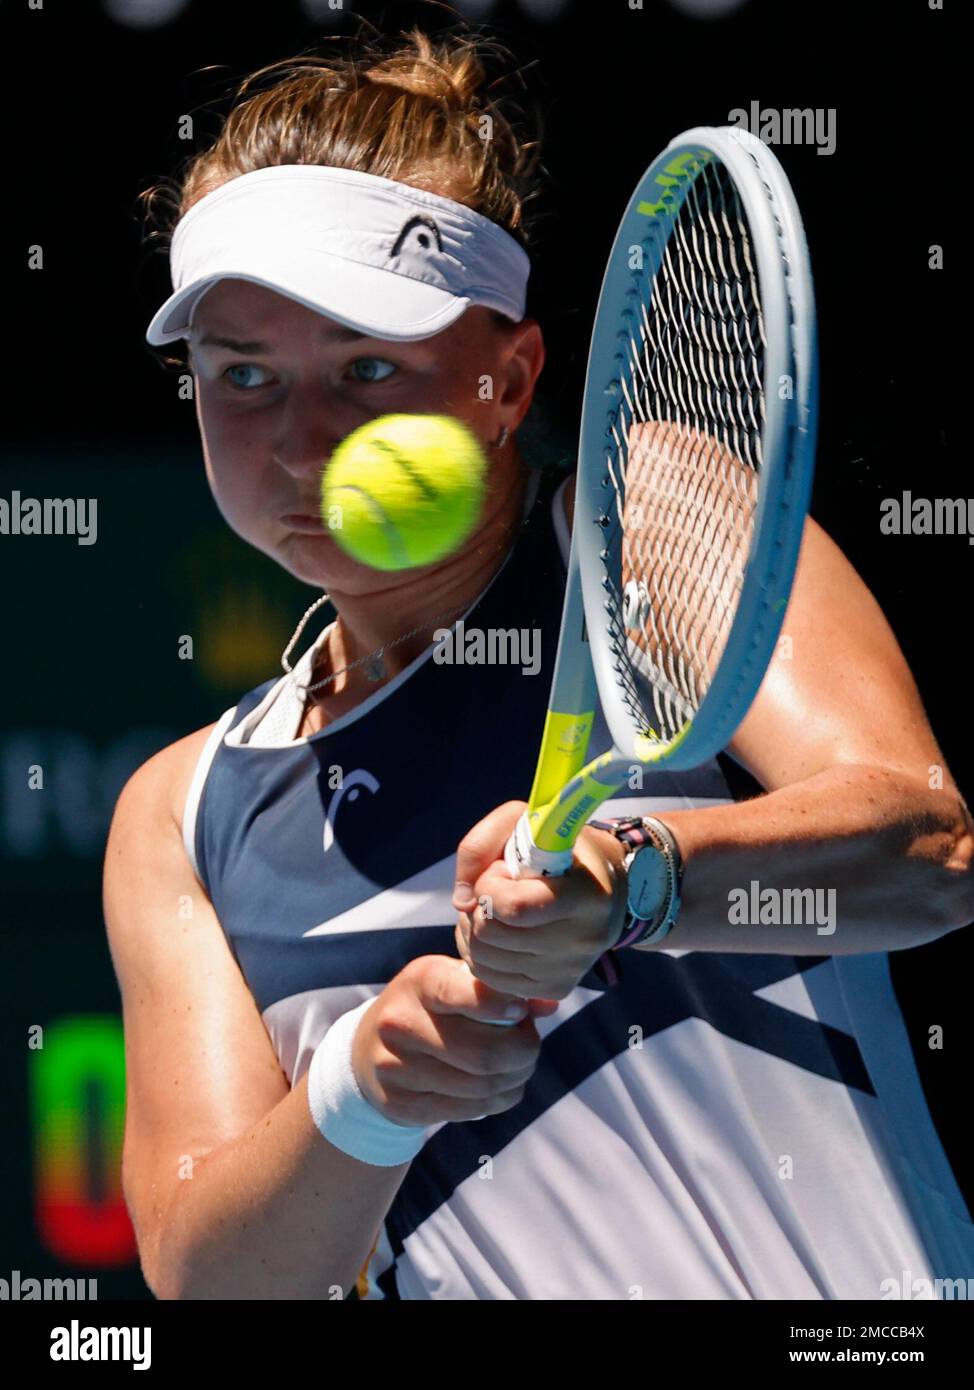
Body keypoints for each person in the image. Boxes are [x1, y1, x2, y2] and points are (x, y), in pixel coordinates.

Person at [105, 25, 974, 1300]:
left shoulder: (640, 522)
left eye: (366, 368)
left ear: (505, 384)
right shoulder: (178, 815)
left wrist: (639, 887)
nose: (304, 441)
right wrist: (363, 1088)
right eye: (243, 374)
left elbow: (926, 850)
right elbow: (207, 1279)